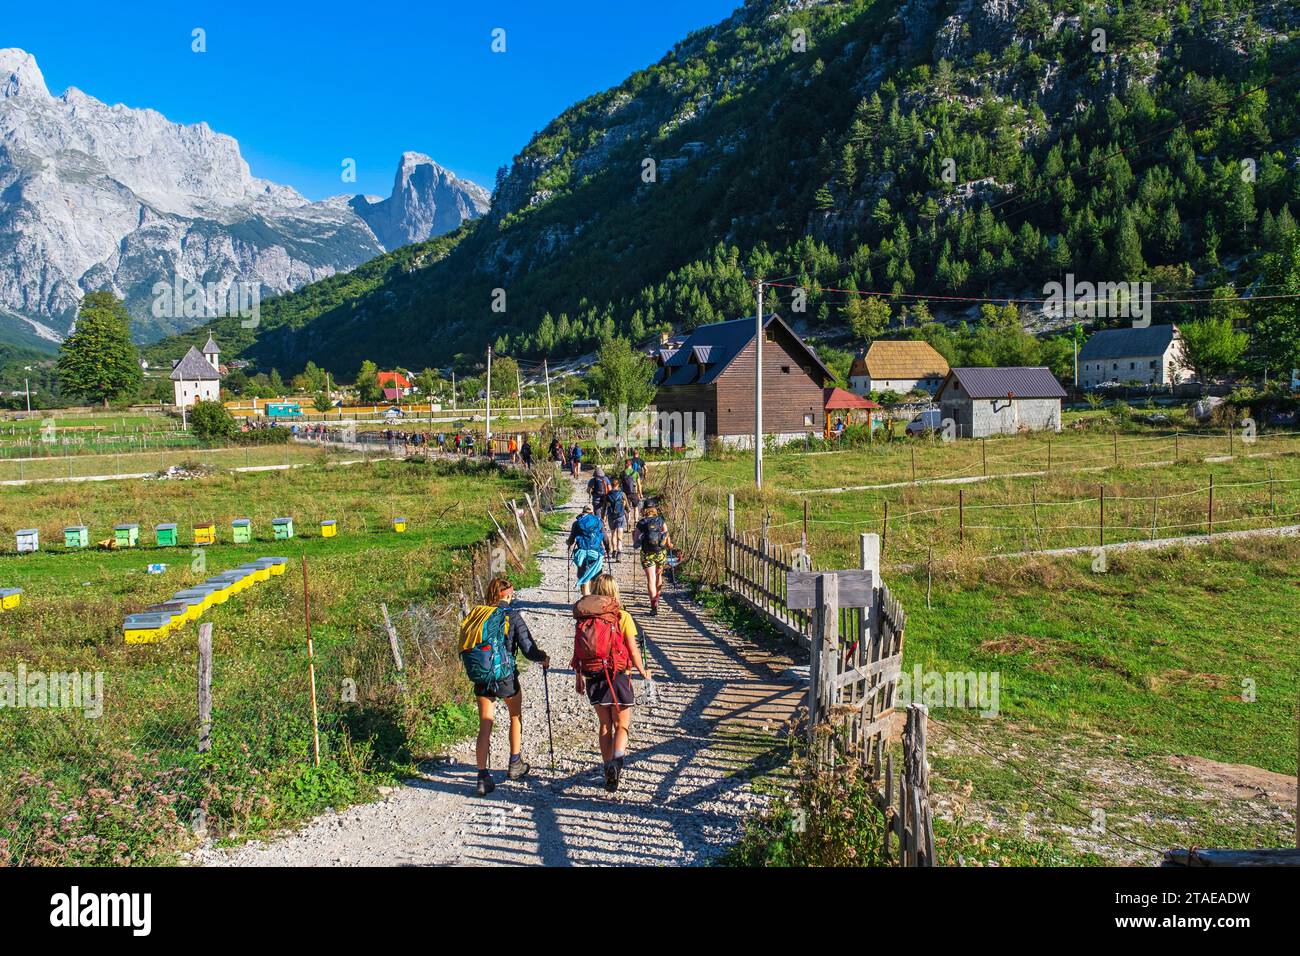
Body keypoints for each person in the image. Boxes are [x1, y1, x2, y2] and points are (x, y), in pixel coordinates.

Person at [458, 577, 550, 796]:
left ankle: (482, 777)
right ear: (508, 595)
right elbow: (528, 648)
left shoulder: (478, 615)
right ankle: (515, 764)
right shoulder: (512, 615)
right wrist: (543, 657)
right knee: (515, 716)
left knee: (485, 725)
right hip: (505, 676)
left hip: (483, 676)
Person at [571, 574, 652, 792]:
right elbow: (633, 649)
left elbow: (579, 649)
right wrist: (643, 671)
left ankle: (607, 767)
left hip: (593, 676)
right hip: (617, 675)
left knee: (605, 725)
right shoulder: (622, 615)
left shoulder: (585, 617)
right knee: (622, 725)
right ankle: (616, 764)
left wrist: (579, 676)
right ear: (615, 591)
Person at [634, 504, 673, 615]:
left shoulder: (641, 522)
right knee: (658, 575)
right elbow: (666, 534)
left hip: (647, 553)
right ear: (654, 510)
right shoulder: (660, 520)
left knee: (650, 578)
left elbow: (635, 539)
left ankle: (653, 604)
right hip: (660, 552)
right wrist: (669, 544)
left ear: (644, 510)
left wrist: (638, 542)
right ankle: (657, 598)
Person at [568, 504, 606, 596]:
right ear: (592, 512)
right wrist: (608, 548)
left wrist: (568, 544)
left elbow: (571, 540)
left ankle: (586, 598)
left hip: (582, 553)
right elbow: (605, 538)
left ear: (583, 512)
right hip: (596, 553)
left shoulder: (577, 523)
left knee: (584, 576)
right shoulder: (598, 521)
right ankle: (594, 598)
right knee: (596, 577)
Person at [604, 479, 628, 561]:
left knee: (613, 534)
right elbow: (627, 506)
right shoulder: (622, 494)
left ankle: (614, 550)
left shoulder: (608, 495)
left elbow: (604, 507)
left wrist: (603, 517)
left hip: (611, 516)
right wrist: (627, 510)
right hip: (620, 516)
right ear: (618, 485)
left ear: (612, 485)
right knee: (619, 536)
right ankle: (619, 552)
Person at [620, 460, 642, 525]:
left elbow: (620, 484)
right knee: (636, 507)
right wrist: (640, 493)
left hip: (625, 493)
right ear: (631, 465)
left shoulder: (622, 473)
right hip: (634, 492)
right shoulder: (636, 473)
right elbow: (639, 484)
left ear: (626, 464)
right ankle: (636, 522)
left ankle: (628, 523)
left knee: (627, 509)